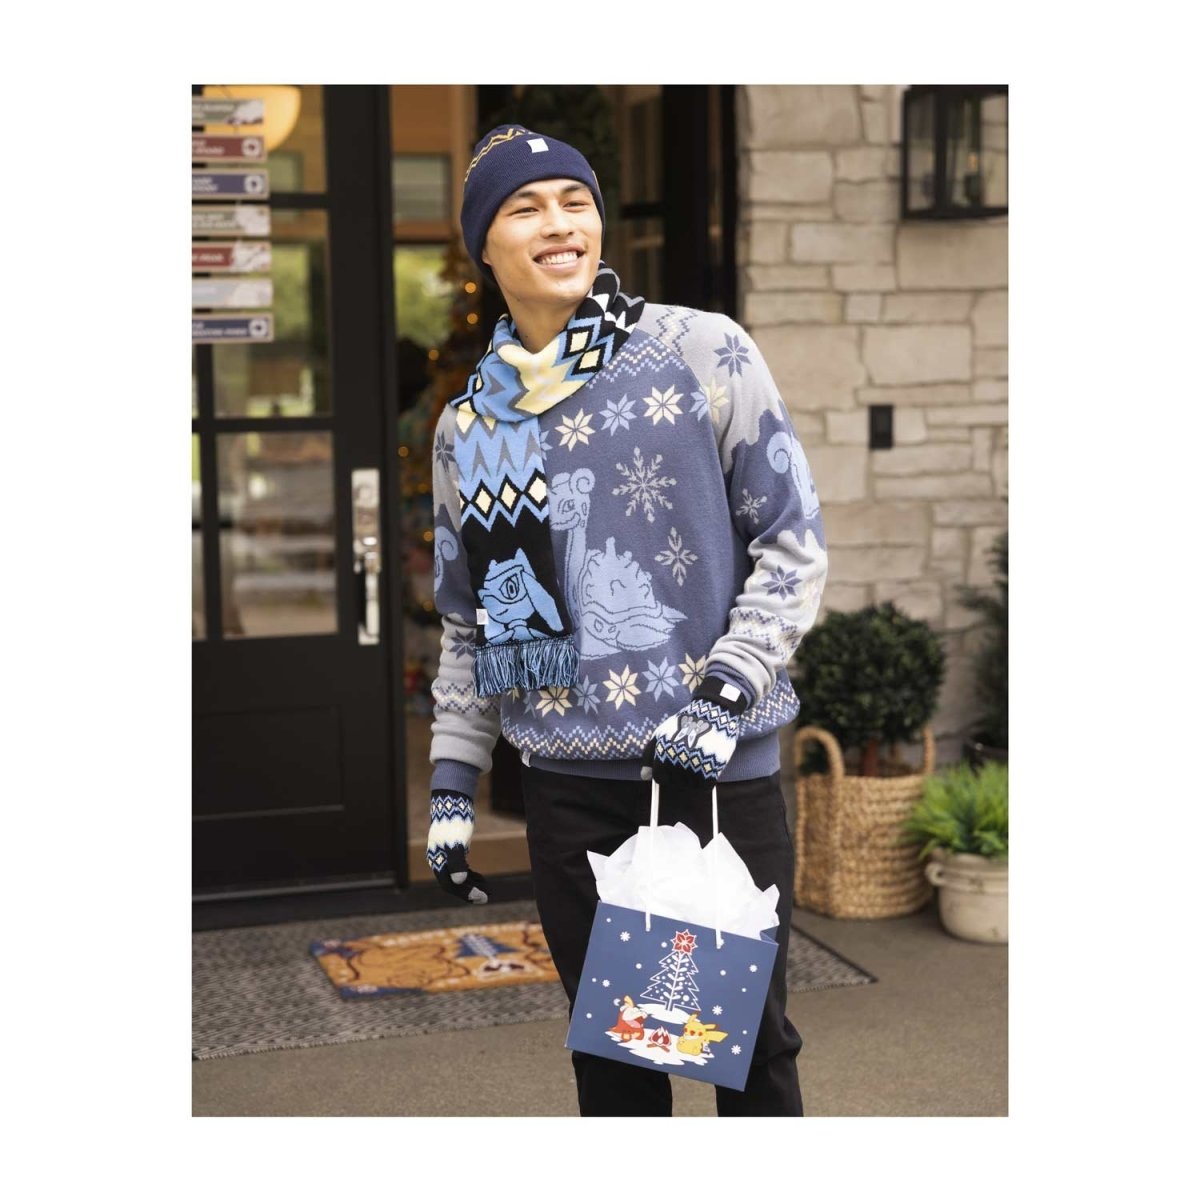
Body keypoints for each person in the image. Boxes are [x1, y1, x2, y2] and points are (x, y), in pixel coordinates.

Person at [425, 124, 828, 1117]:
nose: (559, 223)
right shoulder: (472, 428)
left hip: (717, 776)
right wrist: (452, 783)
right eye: (526, 207)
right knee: (615, 1064)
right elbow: (471, 624)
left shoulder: (702, 350)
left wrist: (724, 696)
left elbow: (790, 544)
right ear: (484, 246)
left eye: (576, 201)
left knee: (749, 1052)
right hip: (570, 791)